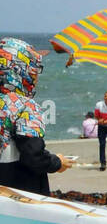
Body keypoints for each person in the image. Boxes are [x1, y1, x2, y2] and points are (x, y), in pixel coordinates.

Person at [0, 39, 70, 196]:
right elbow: (33, 157)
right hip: (18, 197)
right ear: (19, 70)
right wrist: (57, 162)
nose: (36, 76)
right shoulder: (25, 106)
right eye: (34, 69)